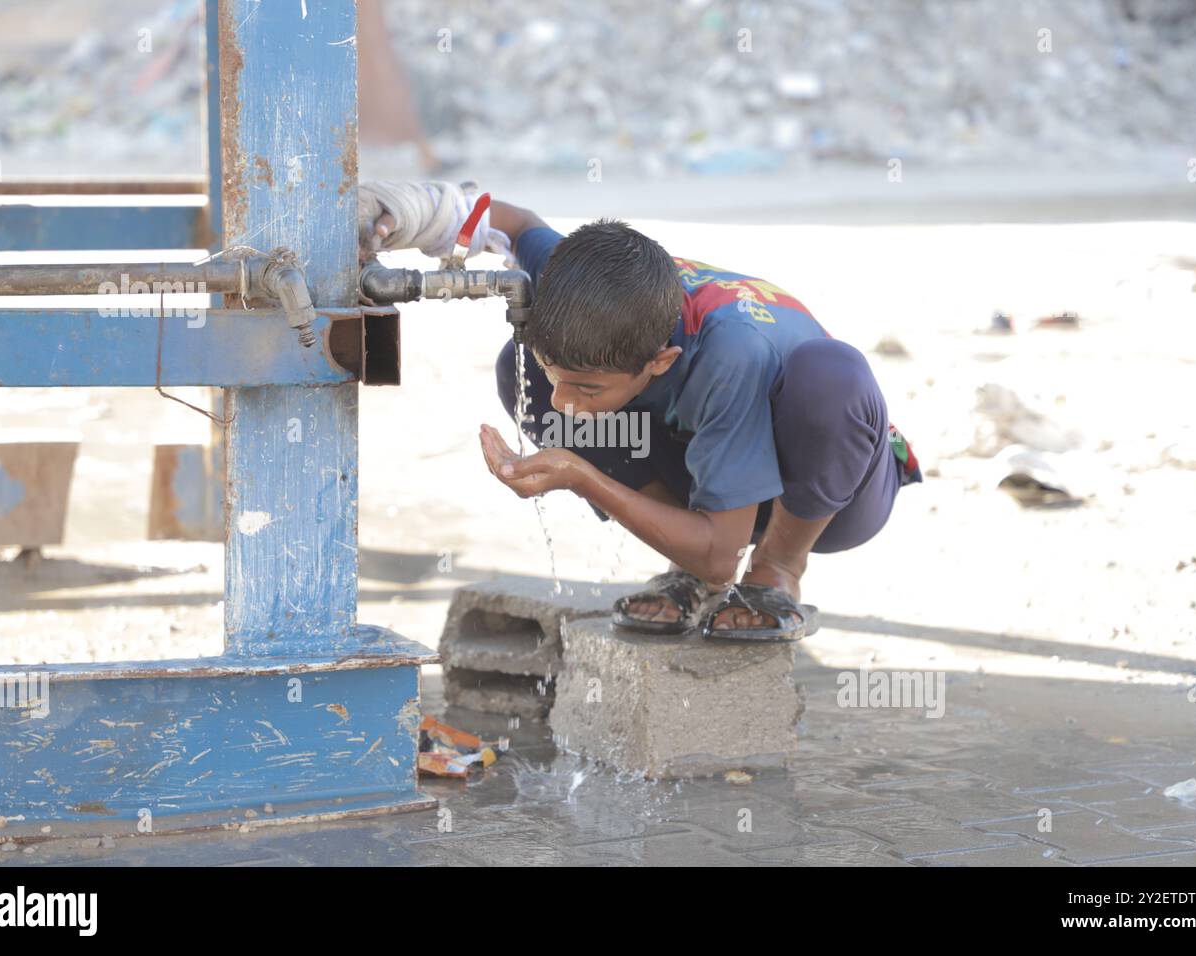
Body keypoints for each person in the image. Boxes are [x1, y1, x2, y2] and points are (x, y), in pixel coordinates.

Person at [361, 184, 922, 641]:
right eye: (560, 375)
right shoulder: (574, 275)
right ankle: (683, 564)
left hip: (828, 492)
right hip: (706, 454)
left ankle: (779, 567)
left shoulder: (732, 354)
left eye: (585, 385)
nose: (562, 403)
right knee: (520, 369)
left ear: (661, 360)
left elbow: (719, 558)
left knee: (831, 378)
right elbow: (507, 218)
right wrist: (401, 210)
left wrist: (583, 476)